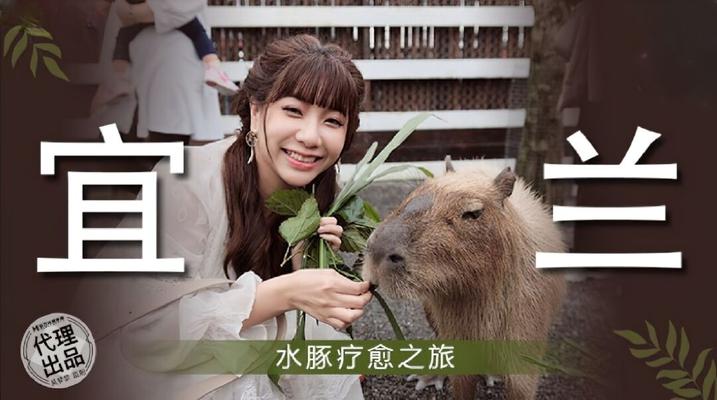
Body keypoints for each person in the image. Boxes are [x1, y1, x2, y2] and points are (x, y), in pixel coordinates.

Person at [76, 34, 370, 400]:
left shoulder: (319, 186)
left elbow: (304, 307)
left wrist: (307, 264)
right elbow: (142, 327)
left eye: (332, 121)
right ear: (257, 110)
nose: (310, 137)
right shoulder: (186, 180)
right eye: (293, 111)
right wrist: (286, 292)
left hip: (250, 332)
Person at [92, 0, 224, 143]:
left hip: (170, 59)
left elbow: (182, 6)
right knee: (112, 131)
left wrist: (140, 11)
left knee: (165, 140)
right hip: (129, 51)